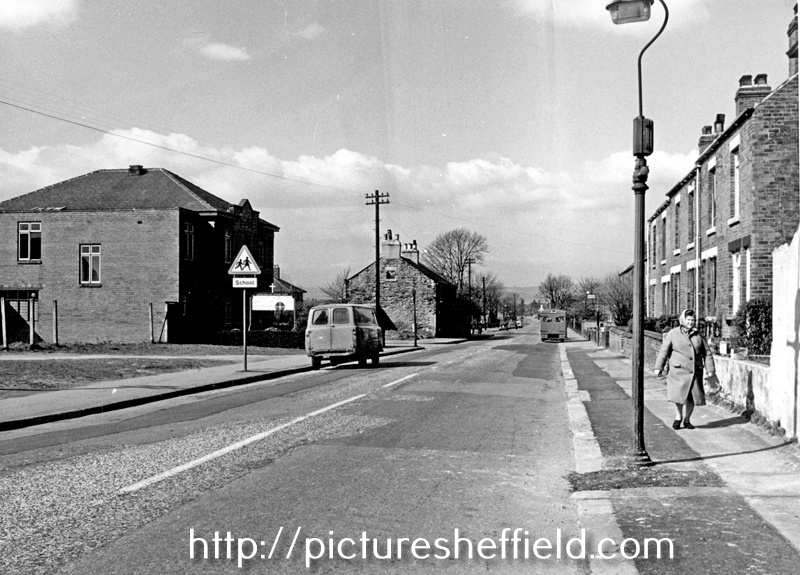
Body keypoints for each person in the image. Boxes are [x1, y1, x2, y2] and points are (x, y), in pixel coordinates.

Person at [653, 309, 716, 430]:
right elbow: (664, 350)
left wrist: (710, 369)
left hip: (694, 372)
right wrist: (658, 367)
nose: (691, 322)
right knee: (679, 396)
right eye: (688, 320)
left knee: (692, 398)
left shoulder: (699, 335)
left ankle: (687, 419)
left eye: (692, 320)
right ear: (683, 320)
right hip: (678, 371)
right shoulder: (673, 333)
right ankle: (678, 417)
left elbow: (707, 353)